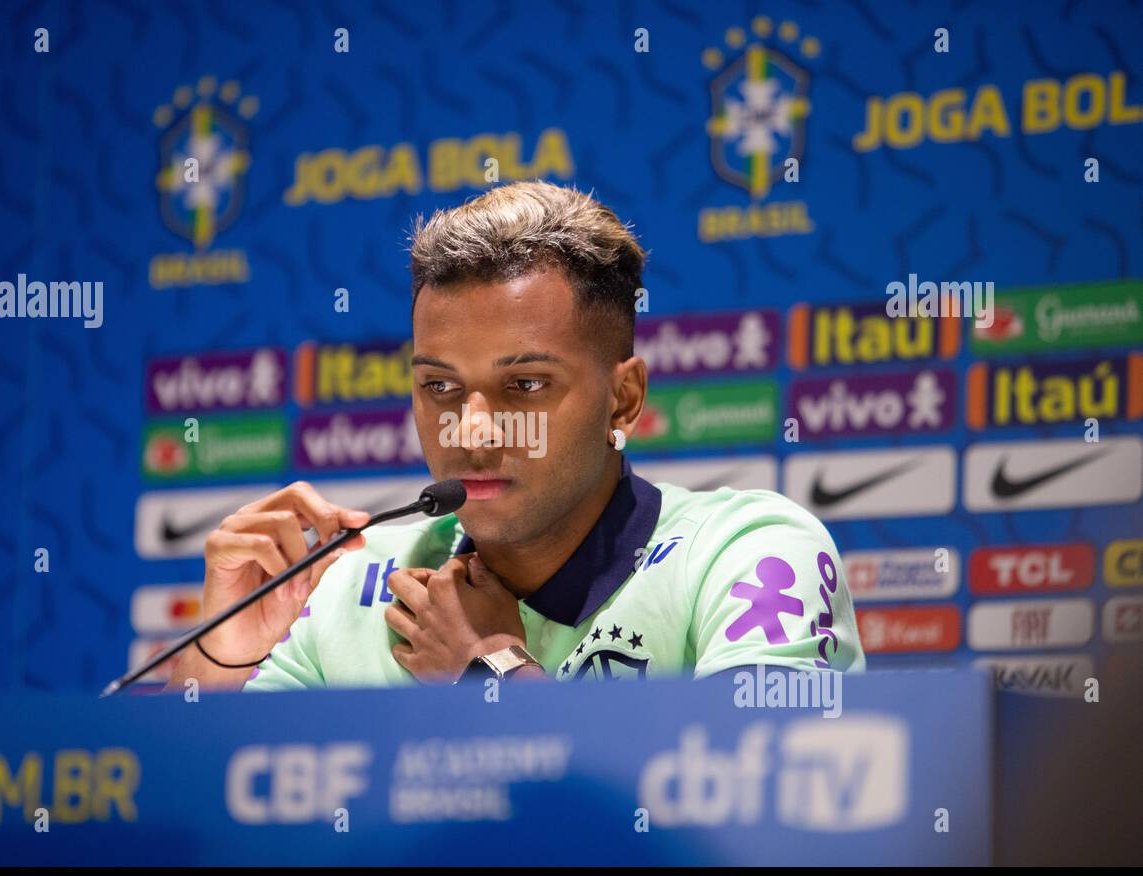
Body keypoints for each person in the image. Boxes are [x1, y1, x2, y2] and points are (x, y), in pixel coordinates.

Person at [164, 181, 864, 693]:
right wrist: (218, 654)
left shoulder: (748, 554)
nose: (469, 430)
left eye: (525, 385)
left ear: (623, 399)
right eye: (439, 386)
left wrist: (488, 665)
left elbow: (762, 817)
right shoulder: (355, 584)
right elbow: (203, 828)